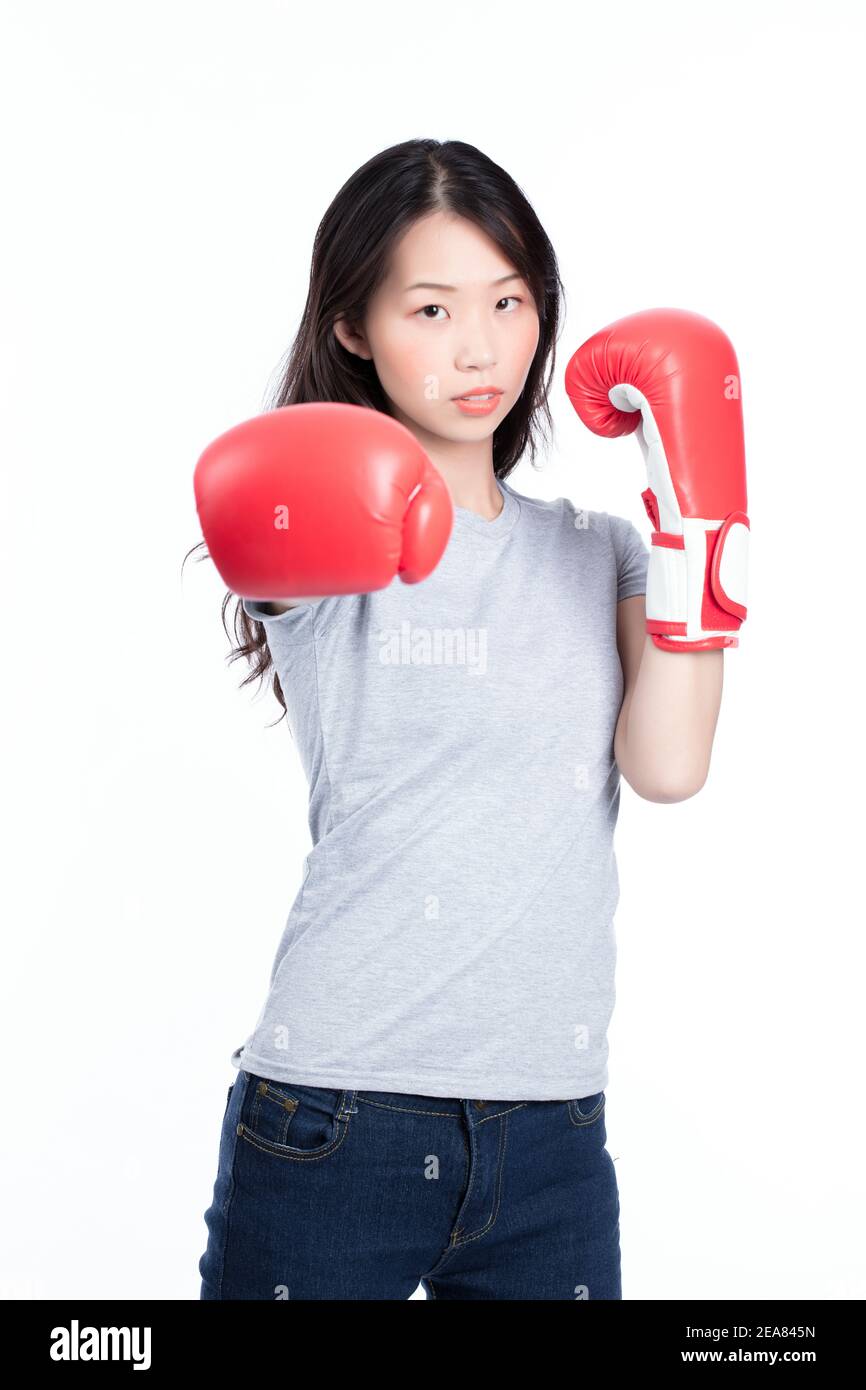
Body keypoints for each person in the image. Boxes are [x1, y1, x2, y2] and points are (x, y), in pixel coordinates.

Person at [192, 137, 746, 1300]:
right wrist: (355, 474)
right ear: (354, 328)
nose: (479, 347)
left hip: (550, 1133)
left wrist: (701, 520)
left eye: (506, 302)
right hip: (339, 1113)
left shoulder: (601, 556)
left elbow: (667, 766)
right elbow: (248, 505)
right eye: (431, 309)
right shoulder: (330, 541)